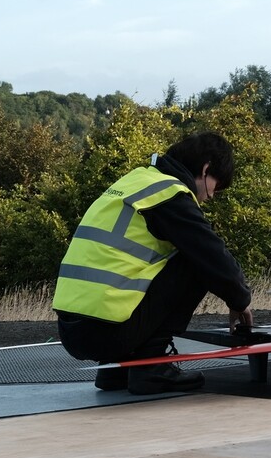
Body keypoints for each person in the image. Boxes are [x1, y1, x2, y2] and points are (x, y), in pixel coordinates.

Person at [52, 132, 254, 395]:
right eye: (216, 185)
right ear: (205, 170)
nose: (212, 196)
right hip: (108, 332)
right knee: (196, 257)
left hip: (71, 330)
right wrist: (241, 301)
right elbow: (214, 256)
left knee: (169, 256)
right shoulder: (170, 194)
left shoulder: (134, 181)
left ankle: (115, 368)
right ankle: (151, 367)